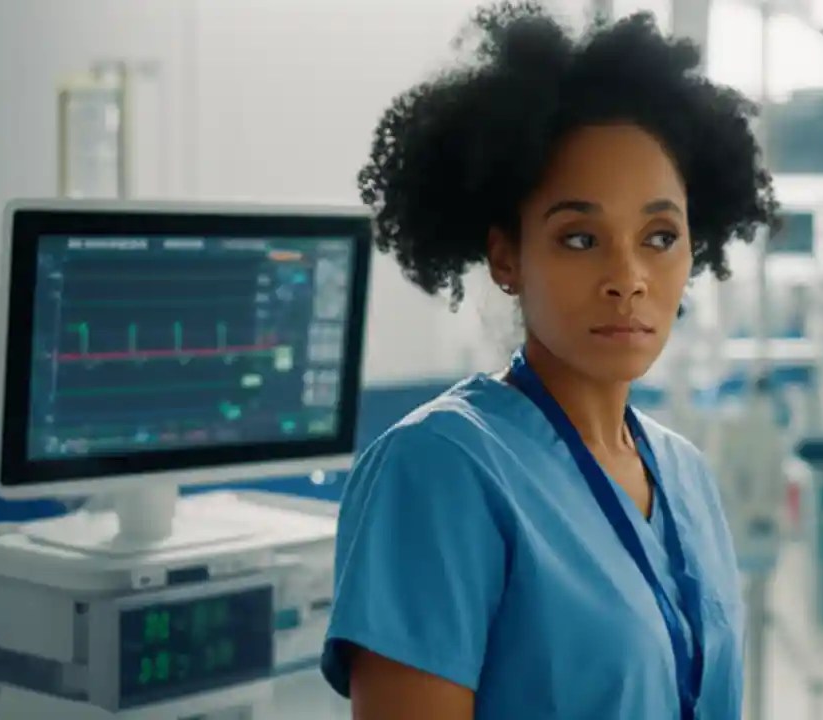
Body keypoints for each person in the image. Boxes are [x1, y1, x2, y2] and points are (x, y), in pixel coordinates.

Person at [323, 2, 777, 718]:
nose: (627, 276)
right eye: (578, 237)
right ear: (507, 255)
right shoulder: (441, 470)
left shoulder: (686, 476)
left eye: (659, 237)